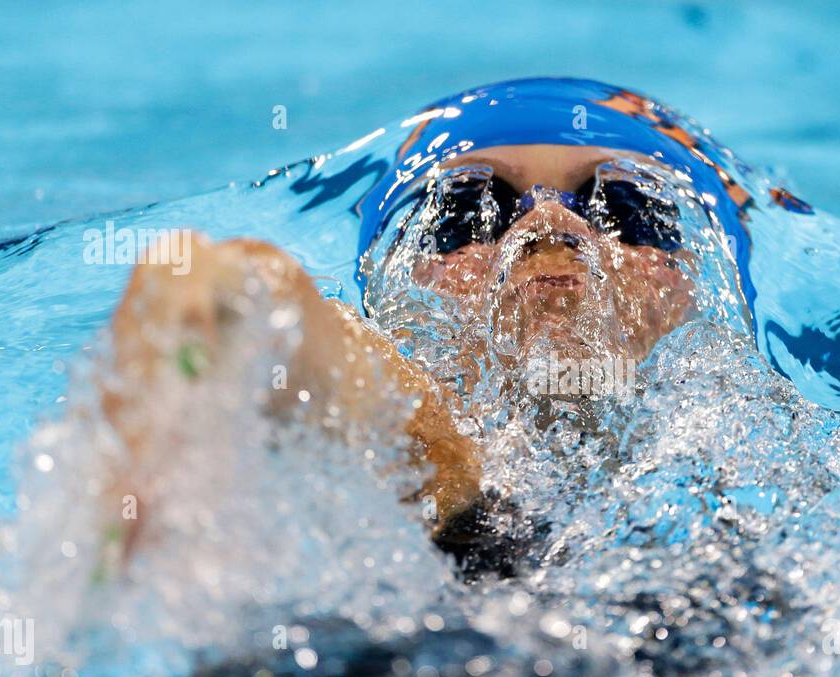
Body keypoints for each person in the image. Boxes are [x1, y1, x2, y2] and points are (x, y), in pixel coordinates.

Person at [98, 78, 758, 569]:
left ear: (703, 275)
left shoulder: (786, 455)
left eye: (626, 205)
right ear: (401, 280)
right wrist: (187, 316)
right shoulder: (430, 447)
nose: (550, 226)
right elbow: (261, 302)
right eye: (471, 208)